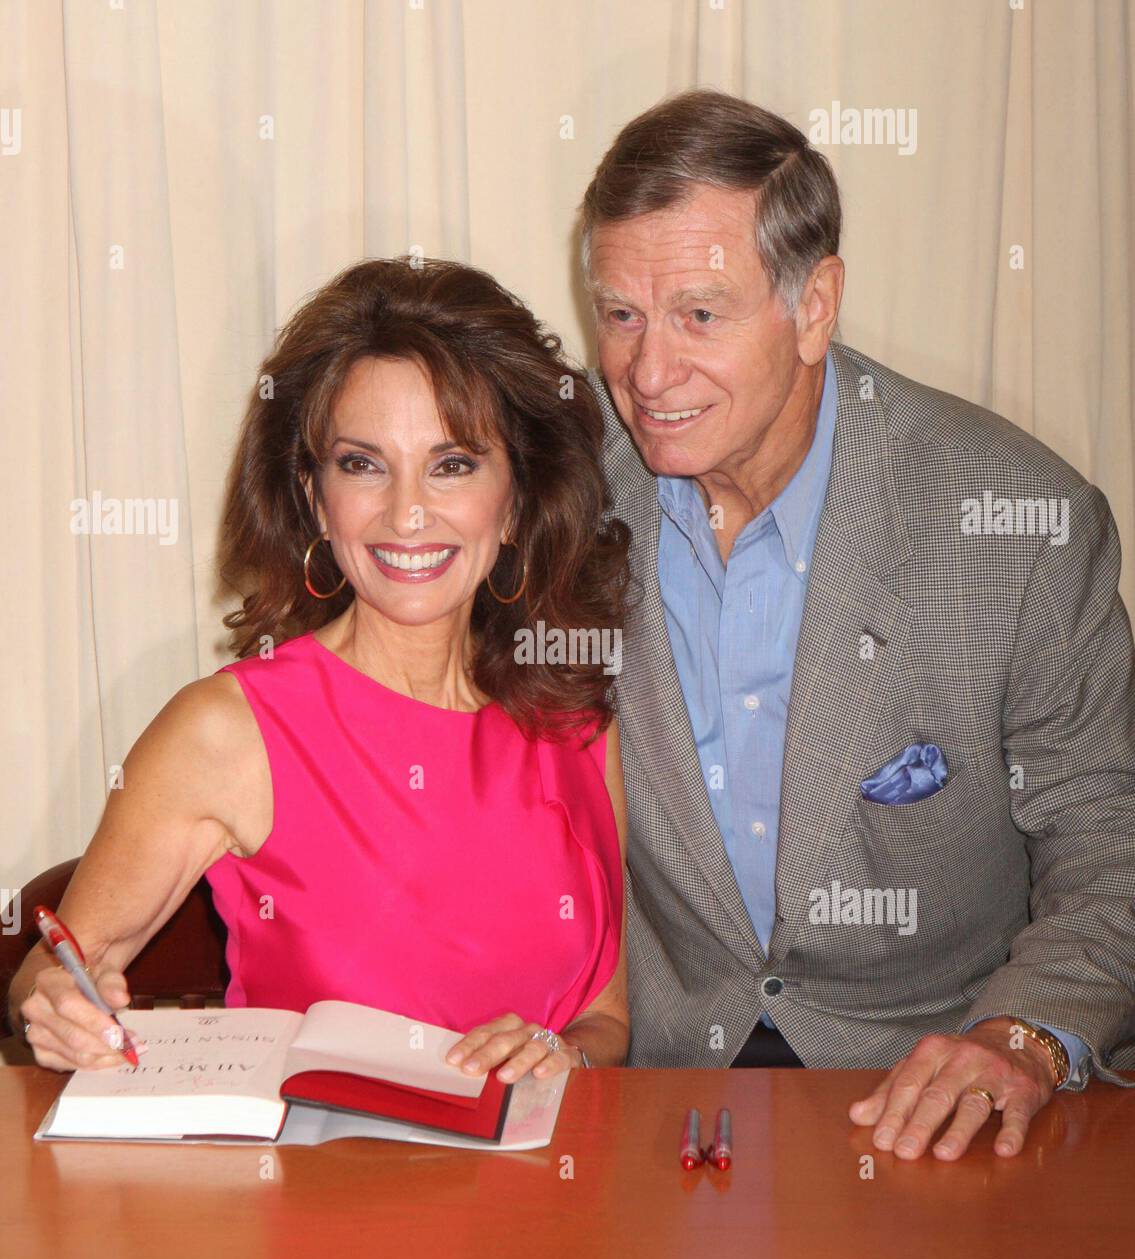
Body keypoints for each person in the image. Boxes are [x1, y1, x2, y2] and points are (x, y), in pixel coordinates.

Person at [579, 88, 1135, 1158]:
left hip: (933, 1090)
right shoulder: (561, 489)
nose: (648, 373)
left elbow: (1110, 841)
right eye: (621, 314)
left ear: (815, 303)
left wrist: (1019, 1037)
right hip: (652, 1095)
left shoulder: (1016, 526)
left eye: (699, 313)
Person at [10, 257, 632, 1084]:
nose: (407, 513)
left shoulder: (577, 721)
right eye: (361, 464)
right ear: (313, 497)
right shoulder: (228, 730)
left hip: (551, 1193)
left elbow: (607, 1018)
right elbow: (54, 971)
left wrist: (569, 1057)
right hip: (311, 1193)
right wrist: (52, 1003)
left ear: (515, 497)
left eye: (452, 464)